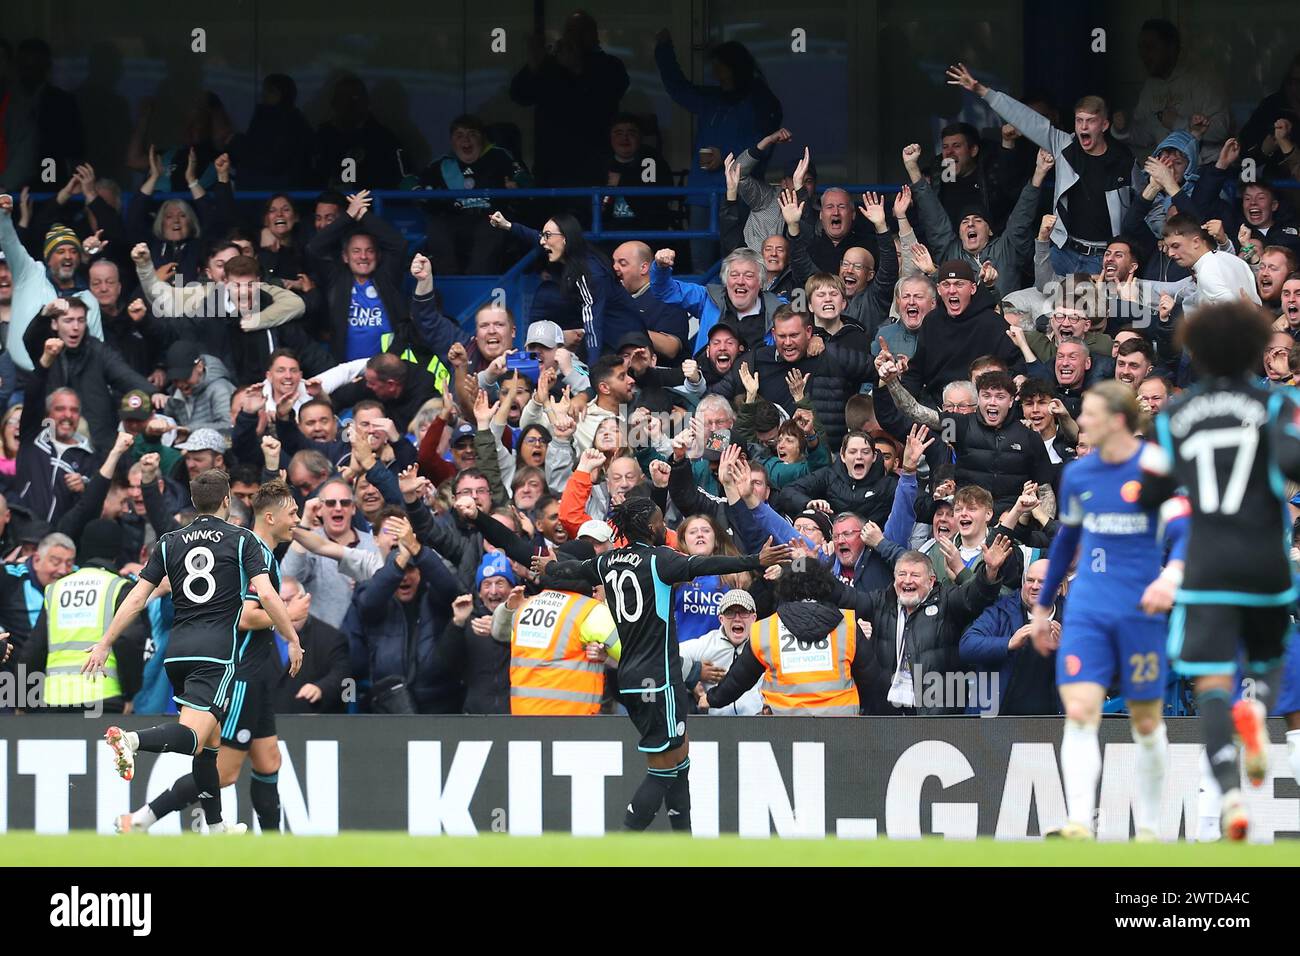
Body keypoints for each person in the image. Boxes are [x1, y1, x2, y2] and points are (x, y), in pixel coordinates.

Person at [1136, 302, 1300, 841]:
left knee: (1210, 679)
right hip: (1265, 561)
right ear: (1255, 349)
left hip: (1206, 564)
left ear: (1196, 353)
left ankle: (1229, 793)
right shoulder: (1274, 403)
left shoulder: (1171, 418)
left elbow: (1151, 496)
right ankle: (1255, 710)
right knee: (1269, 656)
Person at [537, 497, 791, 832]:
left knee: (680, 757)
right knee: (663, 768)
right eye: (659, 522)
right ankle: (623, 844)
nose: (663, 528)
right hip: (658, 678)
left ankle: (682, 842)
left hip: (630, 676)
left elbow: (570, 570)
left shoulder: (607, 562)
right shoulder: (660, 560)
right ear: (648, 526)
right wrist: (754, 559)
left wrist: (548, 570)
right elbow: (705, 566)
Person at [82, 469, 302, 836]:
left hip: (178, 653)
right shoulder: (242, 539)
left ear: (193, 501)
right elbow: (265, 595)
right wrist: (291, 635)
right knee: (196, 738)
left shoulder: (169, 542)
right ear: (227, 500)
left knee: (210, 748)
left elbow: (139, 596)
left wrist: (105, 642)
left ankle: (214, 826)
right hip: (216, 654)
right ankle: (132, 740)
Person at [1027, 381, 1187, 840]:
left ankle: (1151, 828)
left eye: (1092, 414)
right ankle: (1080, 821)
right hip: (1088, 610)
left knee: (1145, 720)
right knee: (1080, 710)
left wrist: (1170, 577)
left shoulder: (1156, 467)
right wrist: (1041, 607)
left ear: (1117, 421)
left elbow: (1185, 533)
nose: (1083, 421)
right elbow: (1066, 544)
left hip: (1139, 611)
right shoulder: (1078, 474)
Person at [948, 63, 1134, 276]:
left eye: (1090, 122)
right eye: (1079, 120)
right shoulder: (1064, 144)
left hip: (1103, 256)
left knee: (1095, 308)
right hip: (1064, 251)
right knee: (1044, 300)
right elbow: (1026, 119)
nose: (1083, 127)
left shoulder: (1123, 159)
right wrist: (981, 90)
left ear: (1104, 125)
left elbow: (1146, 203)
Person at [702, 563, 877, 715]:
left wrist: (711, 699)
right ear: (826, 586)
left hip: (783, 723)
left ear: (785, 588)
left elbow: (739, 678)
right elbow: (869, 678)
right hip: (840, 721)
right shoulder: (848, 625)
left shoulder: (764, 629)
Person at [509, 10, 629, 188]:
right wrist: (534, 65)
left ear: (594, 35)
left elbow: (606, 97)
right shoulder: (550, 65)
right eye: (570, 32)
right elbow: (520, 95)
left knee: (590, 211)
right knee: (549, 214)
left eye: (582, 31)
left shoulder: (610, 65)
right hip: (551, 161)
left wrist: (576, 68)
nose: (575, 38)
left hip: (594, 160)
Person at [491, 565, 621, 715]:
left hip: (524, 714)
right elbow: (632, 654)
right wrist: (606, 657)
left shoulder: (525, 608)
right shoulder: (591, 610)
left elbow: (502, 635)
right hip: (573, 719)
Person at [680, 588, 763, 716]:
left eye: (743, 612)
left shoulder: (764, 645)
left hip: (756, 726)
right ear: (721, 619)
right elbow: (666, 658)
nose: (737, 618)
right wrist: (692, 676)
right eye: (730, 612)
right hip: (716, 727)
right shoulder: (706, 644)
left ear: (754, 618)